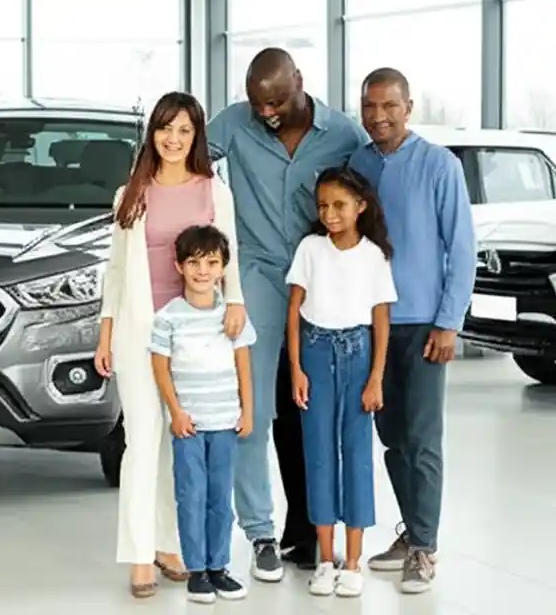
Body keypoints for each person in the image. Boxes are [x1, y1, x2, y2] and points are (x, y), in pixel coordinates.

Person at [206, 47, 368, 579]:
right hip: (256, 277)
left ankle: (317, 529)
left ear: (299, 81)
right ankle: (259, 533)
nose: (268, 111)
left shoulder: (343, 134)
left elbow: (368, 199)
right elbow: (182, 159)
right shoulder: (233, 124)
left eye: (276, 100)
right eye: (258, 103)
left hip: (320, 281)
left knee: (318, 414)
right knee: (251, 412)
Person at [94, 91, 248, 598]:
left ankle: (168, 544)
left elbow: (232, 259)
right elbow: (115, 272)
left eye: (185, 130)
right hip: (142, 333)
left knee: (180, 441)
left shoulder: (213, 191)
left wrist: (235, 303)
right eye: (166, 128)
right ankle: (140, 554)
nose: (174, 139)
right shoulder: (131, 194)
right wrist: (106, 330)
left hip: (198, 338)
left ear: (197, 135)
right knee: (143, 441)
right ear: (153, 133)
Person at [347, 67, 475, 595]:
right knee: (392, 439)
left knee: (422, 440)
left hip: (423, 325)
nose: (378, 116)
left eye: (389, 106)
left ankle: (425, 546)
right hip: (369, 324)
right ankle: (410, 530)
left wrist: (449, 322)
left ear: (409, 107)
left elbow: (461, 248)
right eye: (369, 106)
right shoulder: (356, 165)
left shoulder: (439, 166)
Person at [285, 168, 397, 598]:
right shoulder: (310, 249)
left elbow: (380, 320)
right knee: (318, 455)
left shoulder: (373, 255)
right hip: (314, 353)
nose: (330, 214)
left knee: (356, 455)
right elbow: (294, 310)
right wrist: (296, 368)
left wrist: (376, 379)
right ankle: (325, 559)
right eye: (323, 206)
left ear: (360, 206)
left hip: (357, 354)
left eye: (339, 205)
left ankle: (353, 561)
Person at [148, 224, 256, 604]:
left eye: (211, 262)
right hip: (189, 426)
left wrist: (248, 410)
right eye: (193, 262)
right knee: (191, 494)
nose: (202, 271)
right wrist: (175, 412)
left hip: (225, 421)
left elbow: (244, 362)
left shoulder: (232, 316)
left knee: (219, 497)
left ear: (223, 267)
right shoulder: (168, 317)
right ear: (179, 267)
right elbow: (160, 367)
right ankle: (197, 570)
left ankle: (218, 567)